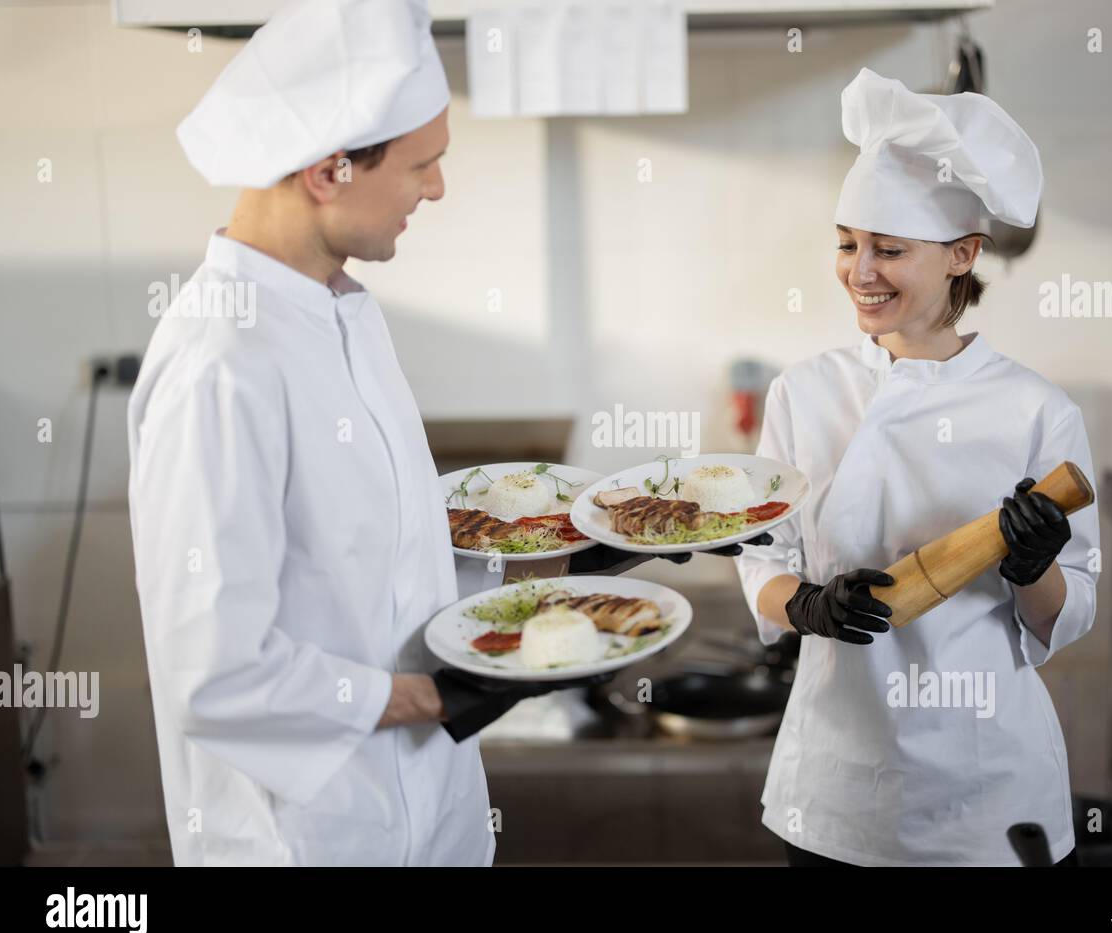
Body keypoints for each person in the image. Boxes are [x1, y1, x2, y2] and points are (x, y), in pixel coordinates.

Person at [128, 0, 763, 867]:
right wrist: (434, 698)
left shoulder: (343, 315)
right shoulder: (218, 366)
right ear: (327, 171)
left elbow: (383, 563)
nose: (436, 189)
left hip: (437, 821)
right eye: (422, 164)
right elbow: (215, 672)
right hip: (312, 841)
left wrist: (572, 554)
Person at [734, 68, 1099, 867]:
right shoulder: (804, 393)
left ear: (962, 254)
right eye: (847, 243)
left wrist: (1032, 567)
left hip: (986, 790)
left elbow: (1067, 614)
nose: (859, 271)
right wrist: (808, 607)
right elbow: (763, 557)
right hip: (836, 784)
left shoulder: (1036, 410)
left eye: (889, 249)